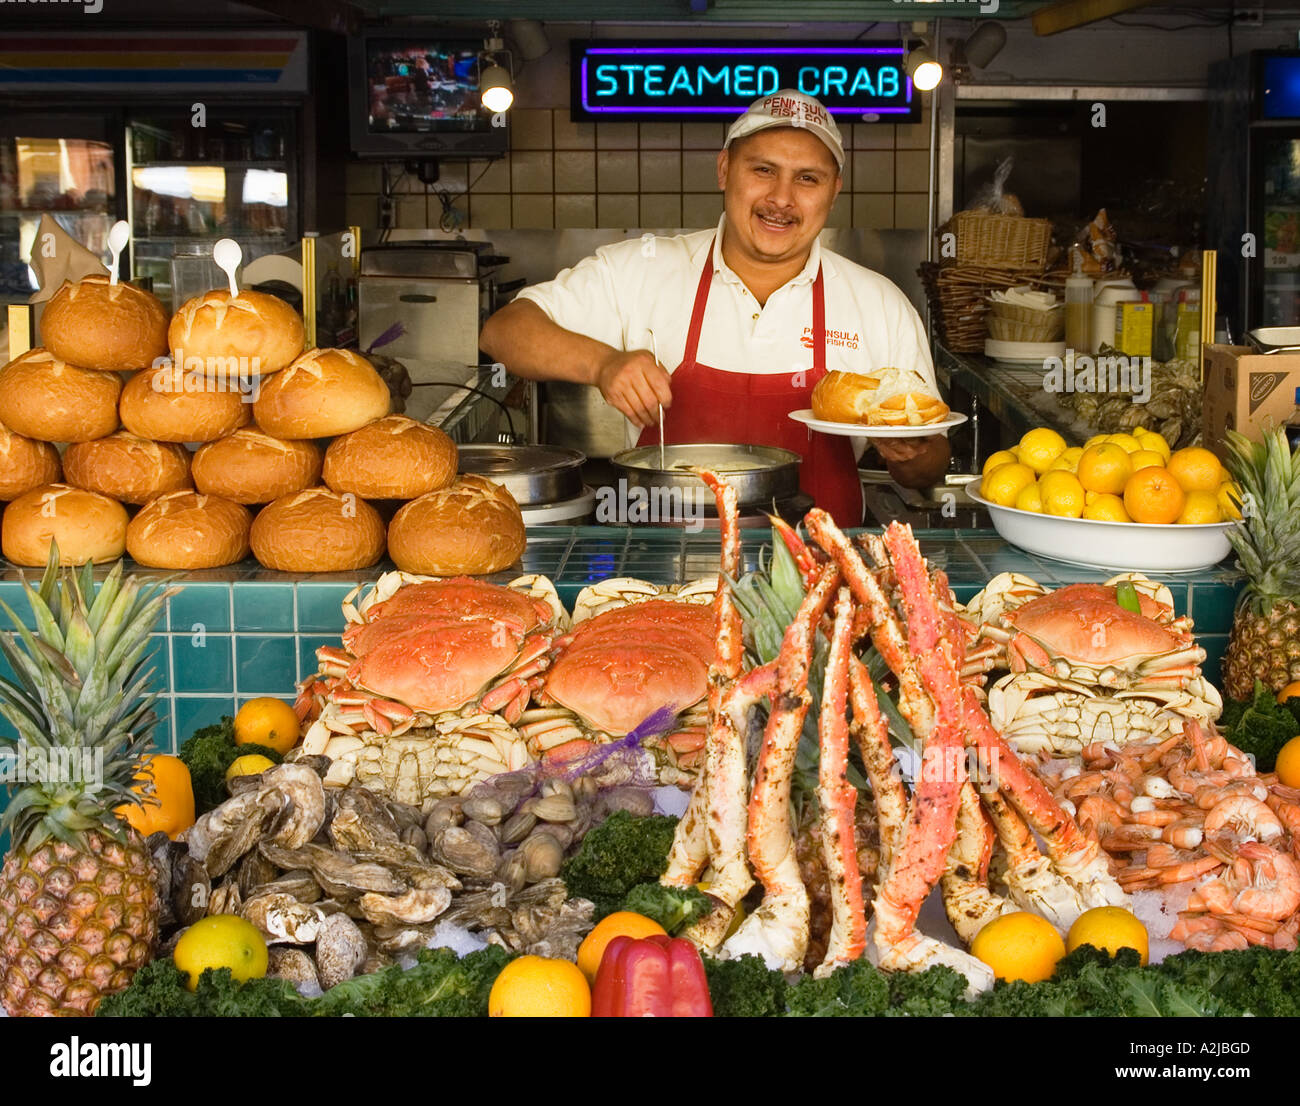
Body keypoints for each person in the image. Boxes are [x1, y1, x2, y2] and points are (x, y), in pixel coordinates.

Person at [479, 90, 950, 526]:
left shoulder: (878, 302)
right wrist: (603, 364)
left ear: (833, 190)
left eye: (807, 178)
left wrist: (912, 453)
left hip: (821, 579)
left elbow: (930, 469)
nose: (781, 199)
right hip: (664, 570)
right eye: (762, 170)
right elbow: (503, 332)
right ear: (724, 169)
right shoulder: (642, 270)